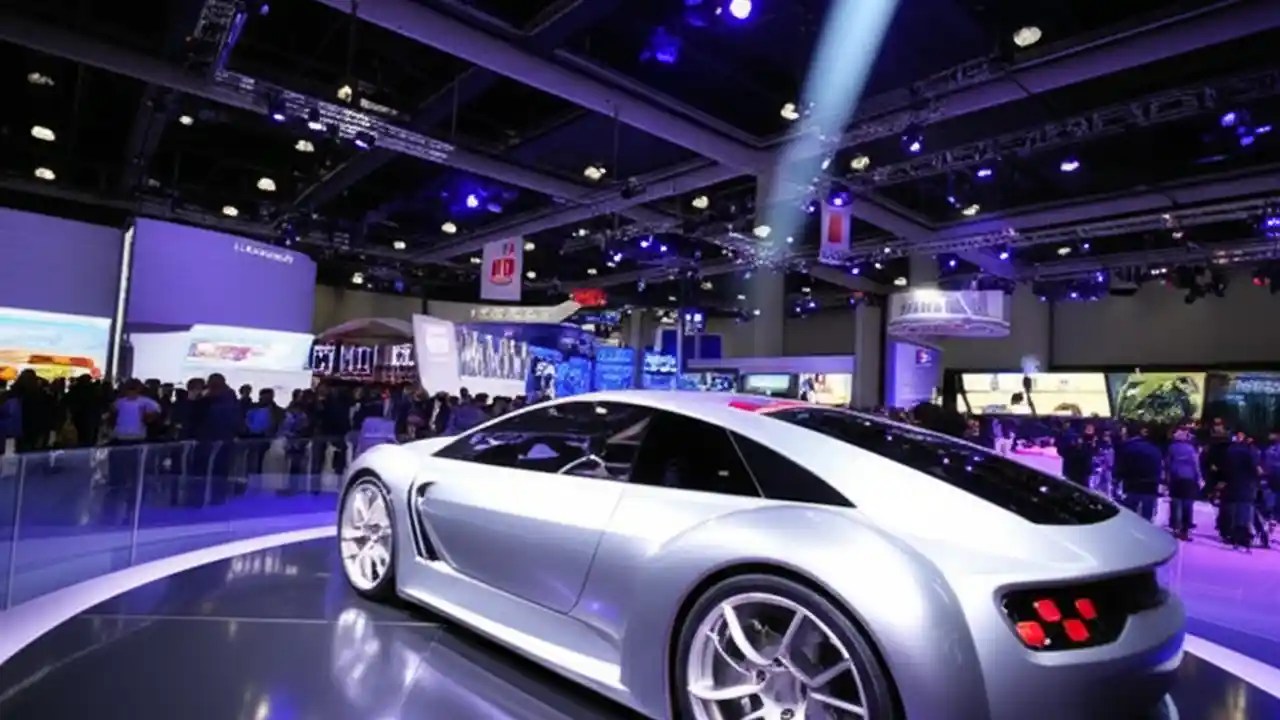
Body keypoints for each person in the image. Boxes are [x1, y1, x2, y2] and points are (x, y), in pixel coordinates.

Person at [104, 379, 161, 524]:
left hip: (136, 440)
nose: (131, 391)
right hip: (120, 438)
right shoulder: (120, 402)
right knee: (118, 473)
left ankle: (131, 503)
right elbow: (111, 414)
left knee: (134, 473)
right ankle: (116, 498)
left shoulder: (145, 402)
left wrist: (146, 418)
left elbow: (156, 413)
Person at [1220, 431, 1261, 550]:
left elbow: (1225, 468)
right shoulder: (1250, 452)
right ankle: (1244, 538)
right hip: (1247, 486)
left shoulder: (1230, 451)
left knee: (1234, 511)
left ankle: (1233, 536)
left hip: (1232, 485)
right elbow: (1256, 469)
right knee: (1244, 513)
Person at [1115, 424, 1162, 522]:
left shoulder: (1126, 448)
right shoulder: (1154, 448)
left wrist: (1117, 480)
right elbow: (1158, 467)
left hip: (1132, 486)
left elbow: (1121, 467)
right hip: (1151, 486)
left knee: (1129, 516)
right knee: (1147, 517)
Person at [1165, 429, 1202, 541]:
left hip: (1176, 478)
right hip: (1189, 479)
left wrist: (1167, 479)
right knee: (1188, 504)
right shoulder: (1191, 449)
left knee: (1176, 503)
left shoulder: (1171, 448)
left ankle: (1176, 527)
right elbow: (1196, 465)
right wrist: (1199, 478)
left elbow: (1167, 464)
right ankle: (1185, 529)